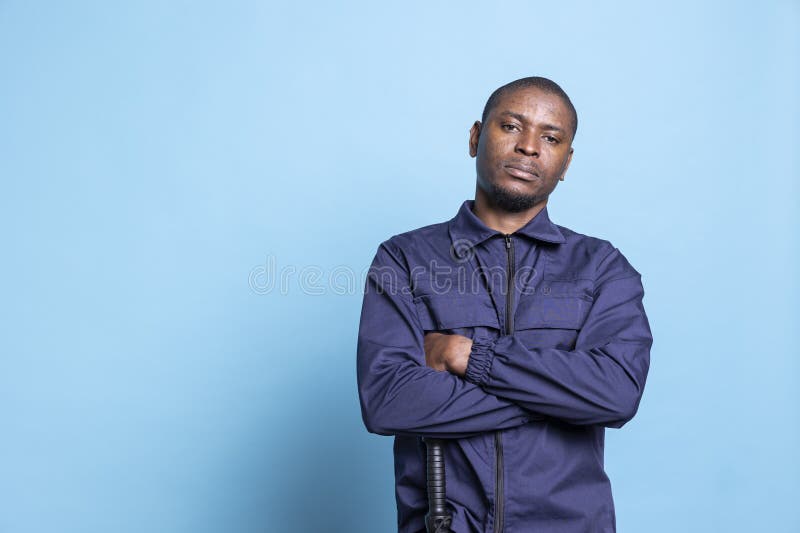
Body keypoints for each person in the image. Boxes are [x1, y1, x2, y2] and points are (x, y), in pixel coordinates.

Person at [356, 76, 652, 533]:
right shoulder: (405, 259)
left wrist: (466, 356)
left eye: (550, 138)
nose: (529, 147)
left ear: (566, 161)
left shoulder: (602, 268)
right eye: (511, 127)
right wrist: (563, 395)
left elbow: (616, 394)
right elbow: (389, 401)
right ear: (476, 137)